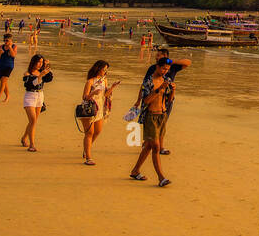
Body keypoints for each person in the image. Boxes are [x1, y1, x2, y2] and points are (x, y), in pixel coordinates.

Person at [130, 54, 188, 187]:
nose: (165, 71)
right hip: (151, 116)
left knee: (149, 146)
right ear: (157, 67)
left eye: (167, 69)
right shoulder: (149, 82)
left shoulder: (166, 79)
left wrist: (173, 90)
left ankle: (135, 170)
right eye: (163, 69)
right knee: (156, 147)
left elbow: (169, 100)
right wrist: (159, 89)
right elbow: (146, 101)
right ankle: (161, 177)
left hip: (162, 115)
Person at [79, 59, 119, 166]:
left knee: (98, 131)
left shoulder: (104, 80)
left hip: (99, 109)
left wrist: (113, 87)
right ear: (98, 69)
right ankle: (88, 157)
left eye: (106, 70)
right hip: (89, 109)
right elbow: (84, 97)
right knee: (89, 133)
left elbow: (105, 95)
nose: (105, 72)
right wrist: (93, 93)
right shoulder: (90, 81)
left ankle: (87, 148)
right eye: (104, 69)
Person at [19, 55, 54, 152]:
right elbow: (31, 84)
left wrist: (47, 67)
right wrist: (40, 75)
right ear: (33, 62)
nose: (40, 64)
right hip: (30, 96)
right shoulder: (27, 73)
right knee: (33, 120)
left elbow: (50, 78)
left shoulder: (41, 72)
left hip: (40, 97)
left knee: (32, 121)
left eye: (41, 62)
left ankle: (24, 138)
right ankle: (32, 144)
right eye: (38, 62)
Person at [0, 33, 18, 104]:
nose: (6, 42)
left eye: (7, 40)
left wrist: (10, 47)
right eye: (5, 40)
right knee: (4, 83)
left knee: (3, 82)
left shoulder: (14, 46)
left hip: (9, 66)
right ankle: (7, 96)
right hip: (1, 66)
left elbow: (13, 55)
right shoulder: (1, 46)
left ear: (11, 40)